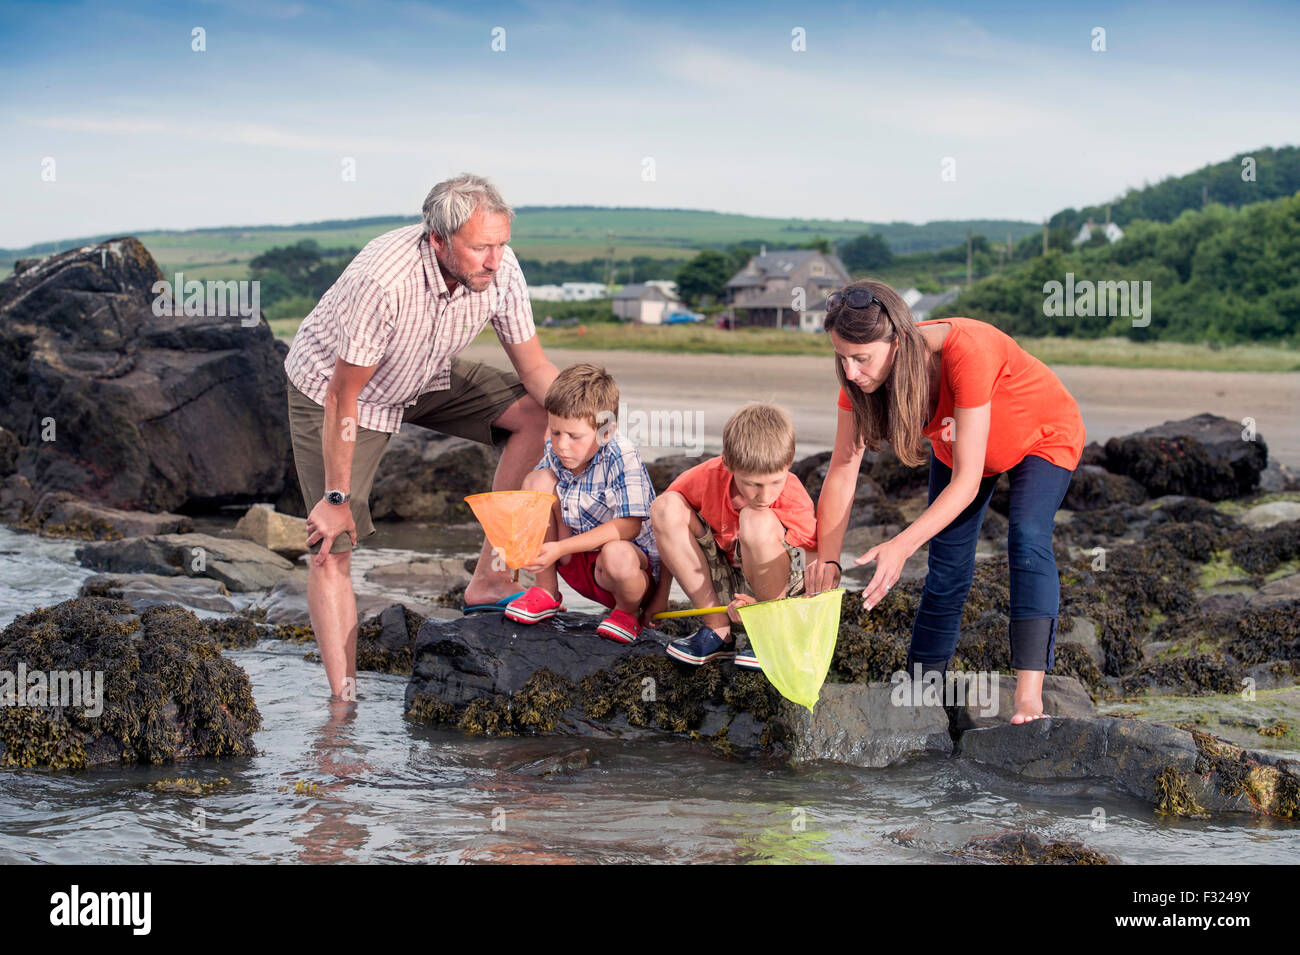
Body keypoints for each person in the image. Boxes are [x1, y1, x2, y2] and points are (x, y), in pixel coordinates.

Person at [283, 173, 558, 700]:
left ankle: (492, 582)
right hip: (338, 394)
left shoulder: (501, 266)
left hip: (423, 373)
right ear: (438, 239)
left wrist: (592, 424)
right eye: (481, 248)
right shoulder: (383, 280)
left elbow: (536, 370)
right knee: (332, 540)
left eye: (501, 244)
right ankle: (343, 706)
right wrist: (336, 500)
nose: (495, 260)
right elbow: (345, 394)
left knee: (537, 415)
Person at [805, 280, 1085, 724]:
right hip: (959, 447)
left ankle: (1028, 696)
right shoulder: (857, 379)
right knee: (948, 569)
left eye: (861, 358)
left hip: (1042, 437)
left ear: (898, 340)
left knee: (1027, 538)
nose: (852, 371)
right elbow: (842, 468)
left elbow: (968, 482)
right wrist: (829, 559)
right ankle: (920, 691)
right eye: (841, 357)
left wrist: (900, 545)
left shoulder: (967, 350)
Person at [506, 363, 664, 643]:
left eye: (574, 436)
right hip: (575, 561)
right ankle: (547, 592)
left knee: (617, 554)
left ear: (606, 431)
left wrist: (559, 547)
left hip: (622, 572)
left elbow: (628, 526)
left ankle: (626, 613)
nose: (562, 445)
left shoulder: (621, 455)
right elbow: (537, 501)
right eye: (555, 432)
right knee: (536, 483)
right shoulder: (558, 452)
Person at [650, 404, 817, 668]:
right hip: (728, 584)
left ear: (789, 461)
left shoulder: (793, 496)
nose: (765, 495)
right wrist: (661, 596)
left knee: (755, 517)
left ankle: (769, 633)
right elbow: (667, 532)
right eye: (752, 484)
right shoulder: (706, 478)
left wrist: (778, 608)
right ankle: (717, 631)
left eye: (775, 482)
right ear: (728, 463)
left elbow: (808, 560)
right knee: (664, 507)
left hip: (780, 594)